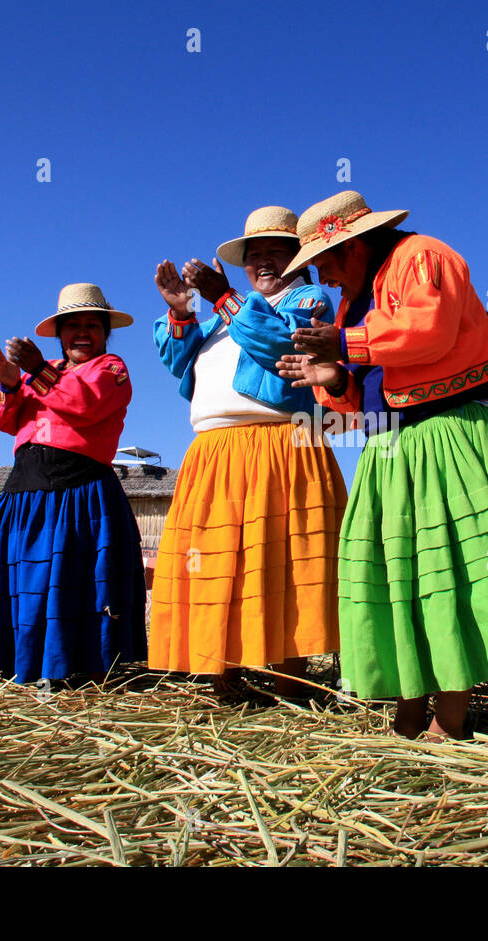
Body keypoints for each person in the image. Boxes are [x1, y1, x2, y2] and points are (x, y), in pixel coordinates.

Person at [280, 190, 488, 739]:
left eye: (326, 261)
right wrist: (332, 378)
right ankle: (408, 709)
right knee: (401, 579)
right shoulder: (352, 300)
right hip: (389, 448)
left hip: (450, 433)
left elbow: (427, 330)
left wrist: (344, 342)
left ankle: (450, 718)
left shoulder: (424, 257)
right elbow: (359, 394)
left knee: (452, 571)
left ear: (354, 244)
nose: (325, 277)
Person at [150, 206, 348, 697]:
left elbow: (284, 349)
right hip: (214, 451)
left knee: (283, 555)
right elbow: (177, 363)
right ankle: (224, 671)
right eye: (253, 255)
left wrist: (226, 301)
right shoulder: (221, 315)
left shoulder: (307, 299)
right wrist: (183, 311)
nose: (263, 262)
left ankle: (291, 675)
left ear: (298, 258)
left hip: (281, 444)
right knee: (221, 560)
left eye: (275, 253)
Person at [0, 283, 147, 684]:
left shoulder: (111, 369)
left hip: (80, 496)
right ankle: (22, 665)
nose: (83, 332)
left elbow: (85, 405)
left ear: (106, 333)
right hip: (27, 496)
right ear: (59, 333)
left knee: (76, 584)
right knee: (27, 583)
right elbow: (3, 418)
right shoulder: (45, 372)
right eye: (73, 325)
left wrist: (37, 371)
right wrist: (8, 382)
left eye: (93, 324)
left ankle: (79, 668)